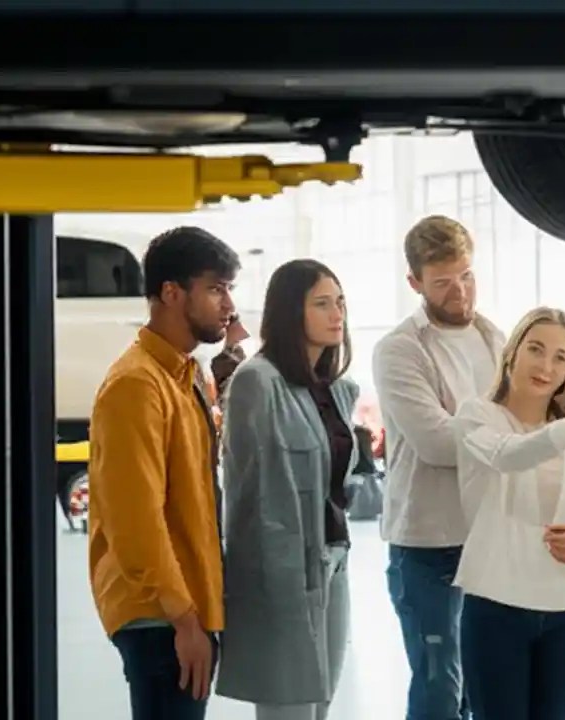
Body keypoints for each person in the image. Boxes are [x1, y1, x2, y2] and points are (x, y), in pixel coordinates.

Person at [87, 226, 240, 720]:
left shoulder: (186, 375)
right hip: (160, 616)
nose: (229, 304)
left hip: (185, 607)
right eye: (216, 288)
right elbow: (136, 521)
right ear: (172, 293)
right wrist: (184, 620)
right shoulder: (136, 386)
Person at [453, 307, 565, 720]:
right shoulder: (477, 416)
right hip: (496, 607)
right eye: (536, 349)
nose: (546, 365)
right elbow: (507, 456)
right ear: (512, 353)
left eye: (560, 358)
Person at [373, 215, 506, 720]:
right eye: (444, 283)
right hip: (427, 546)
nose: (461, 293)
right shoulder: (399, 350)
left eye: (467, 276)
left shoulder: (497, 338)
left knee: (484, 681)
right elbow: (435, 442)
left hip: (489, 539)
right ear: (415, 283)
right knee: (438, 685)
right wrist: (513, 438)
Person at [214, 260, 359, 720]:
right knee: (289, 707)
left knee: (320, 704)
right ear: (288, 312)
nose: (336, 314)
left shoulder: (335, 388)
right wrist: (283, 596)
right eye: (321, 304)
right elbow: (254, 502)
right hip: (284, 578)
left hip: (333, 562)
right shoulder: (258, 381)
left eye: (339, 302)